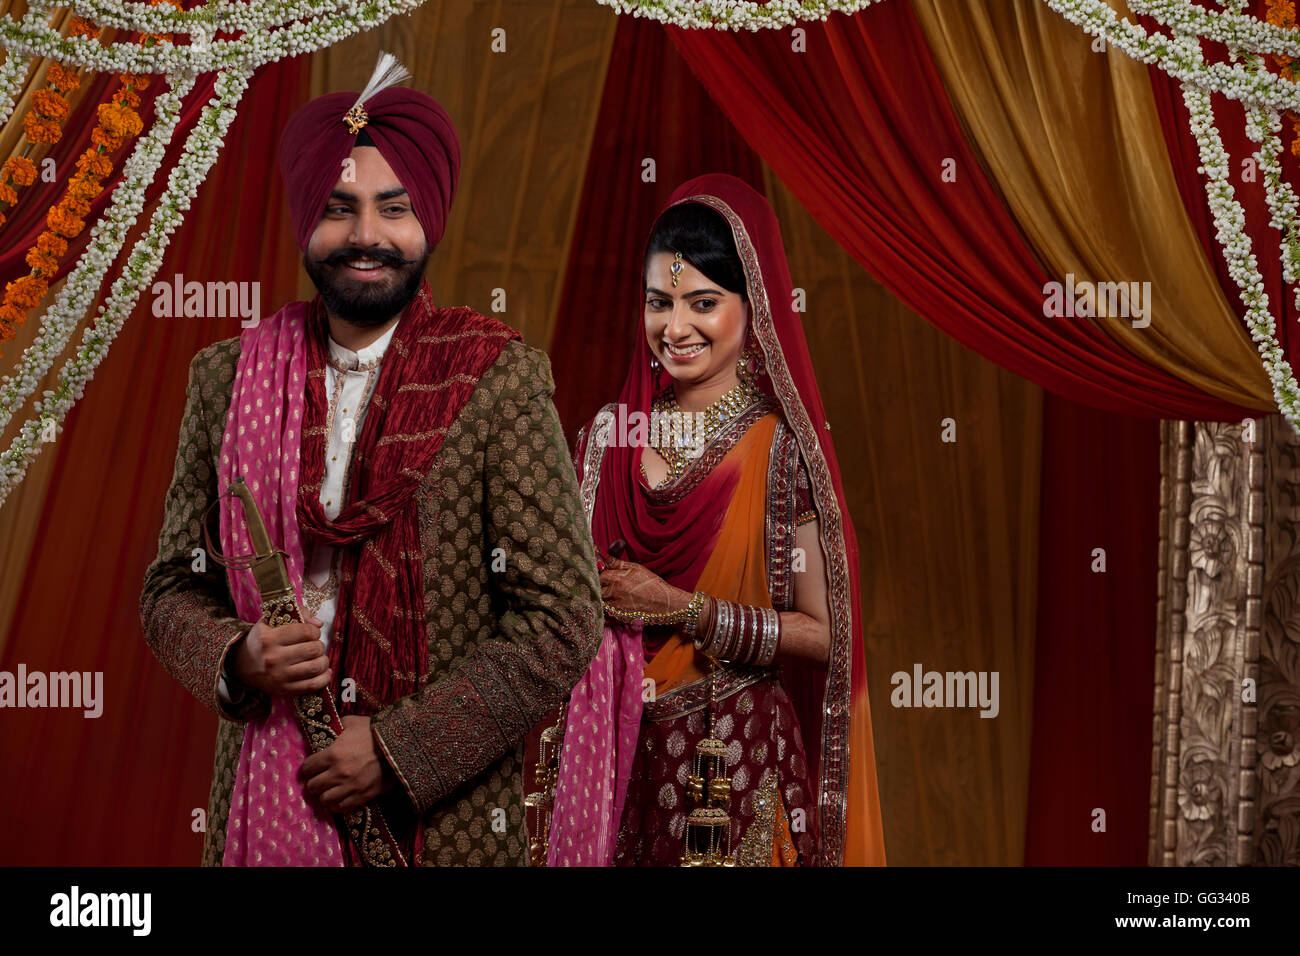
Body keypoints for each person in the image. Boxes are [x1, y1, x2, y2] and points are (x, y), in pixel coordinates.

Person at [139, 56, 602, 867]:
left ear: (429, 221)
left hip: (442, 827)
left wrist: (397, 748)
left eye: (394, 210)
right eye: (338, 209)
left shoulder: (496, 380)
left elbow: (563, 621)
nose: (365, 237)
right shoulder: (228, 378)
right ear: (303, 222)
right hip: (265, 793)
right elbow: (172, 587)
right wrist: (237, 654)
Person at [543, 174, 885, 866]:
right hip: (612, 764)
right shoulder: (605, 440)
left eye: (703, 303)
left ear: (752, 306)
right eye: (658, 304)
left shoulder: (781, 453)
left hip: (735, 764)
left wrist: (683, 609)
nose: (675, 328)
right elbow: (560, 610)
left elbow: (828, 634)